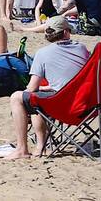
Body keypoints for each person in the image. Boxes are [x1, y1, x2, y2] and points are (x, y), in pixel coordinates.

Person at [7, 16, 91, 159]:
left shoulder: (43, 53)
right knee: (37, 97)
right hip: (86, 104)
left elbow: (32, 88)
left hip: (60, 105)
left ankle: (24, 149)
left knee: (20, 98)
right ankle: (41, 146)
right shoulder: (82, 49)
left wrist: (35, 90)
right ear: (66, 32)